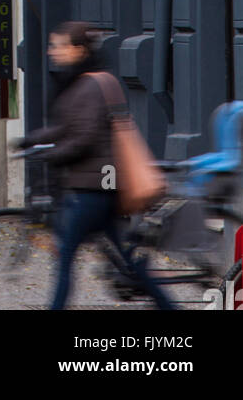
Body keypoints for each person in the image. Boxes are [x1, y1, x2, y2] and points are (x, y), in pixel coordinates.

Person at [21, 21, 176, 311]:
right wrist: (30, 140)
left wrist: (51, 154)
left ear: (78, 50)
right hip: (95, 185)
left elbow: (84, 138)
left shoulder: (90, 84)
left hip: (95, 186)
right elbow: (64, 128)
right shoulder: (77, 82)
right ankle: (169, 306)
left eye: (58, 46)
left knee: (66, 254)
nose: (51, 51)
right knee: (127, 258)